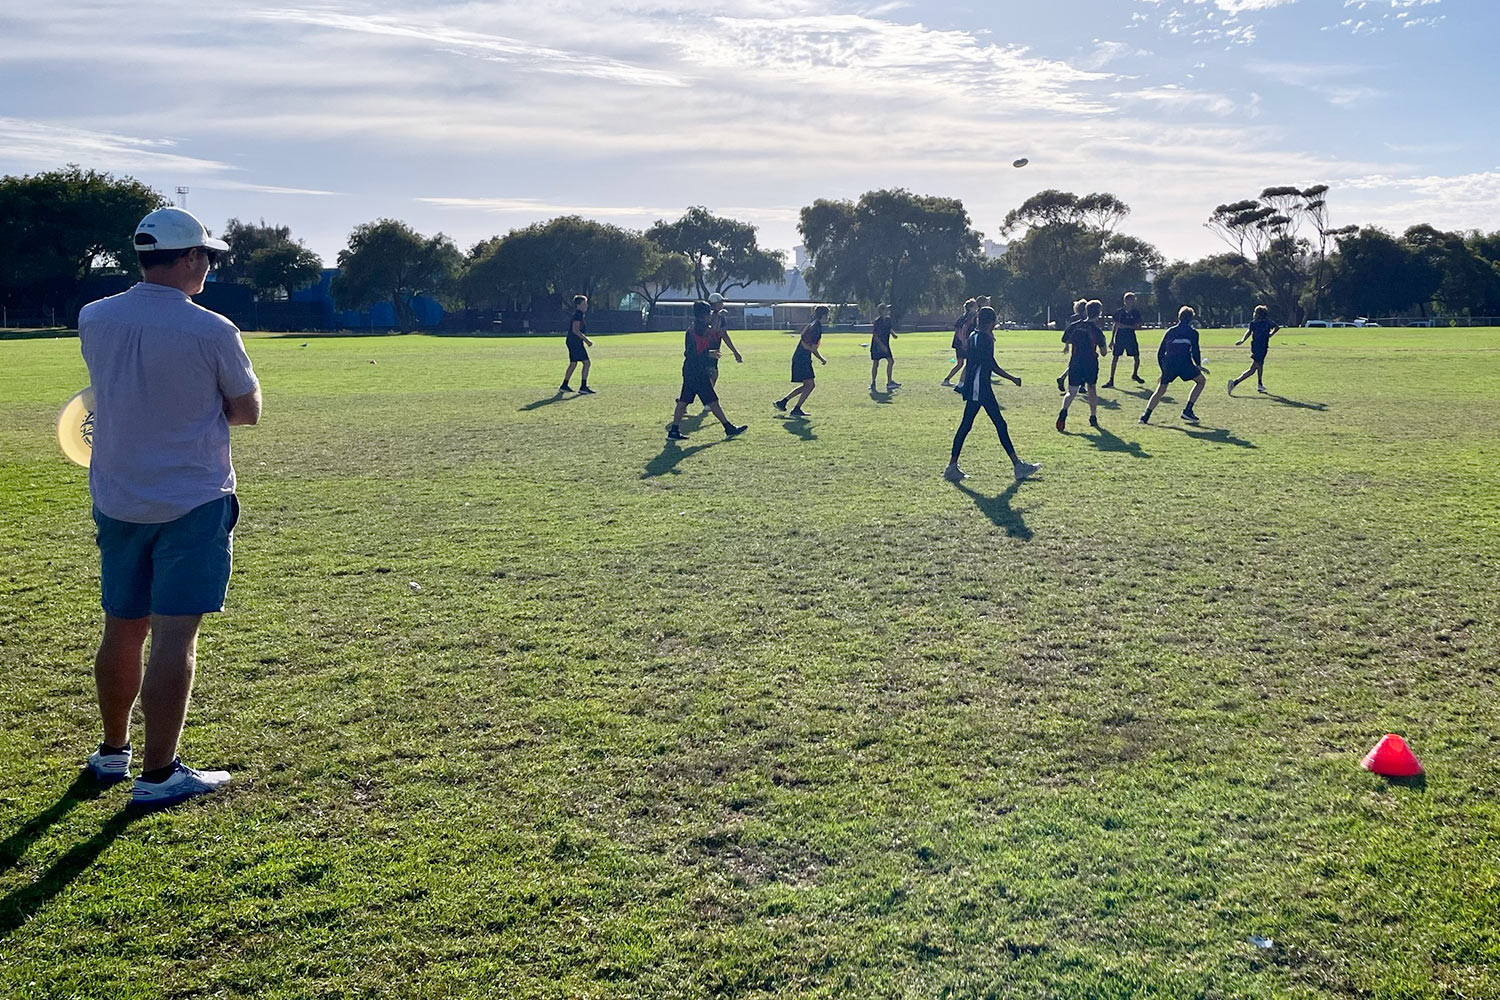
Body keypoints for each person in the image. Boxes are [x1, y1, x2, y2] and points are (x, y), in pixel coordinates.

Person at [78, 207, 261, 807]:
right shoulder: (212, 329)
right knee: (175, 636)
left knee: (122, 628)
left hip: (117, 495)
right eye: (206, 255)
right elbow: (245, 411)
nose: (208, 265)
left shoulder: (94, 317)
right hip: (191, 497)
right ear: (187, 258)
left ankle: (112, 752)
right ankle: (159, 775)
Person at [944, 307, 1042, 484]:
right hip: (980, 387)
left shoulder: (973, 335)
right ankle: (1017, 466)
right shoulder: (984, 338)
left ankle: (952, 466)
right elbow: (992, 365)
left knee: (972, 425)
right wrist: (1013, 378)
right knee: (992, 424)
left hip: (976, 385)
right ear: (991, 322)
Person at [668, 300, 747, 441]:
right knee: (712, 400)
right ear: (703, 314)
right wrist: (709, 354)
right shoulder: (697, 329)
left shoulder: (698, 326)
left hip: (690, 370)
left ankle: (674, 431)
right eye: (708, 313)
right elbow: (693, 353)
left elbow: (711, 332)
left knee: (683, 401)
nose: (709, 315)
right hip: (697, 371)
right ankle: (728, 428)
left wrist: (717, 314)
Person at [1141, 305, 1209, 424]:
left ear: (1179, 317)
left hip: (1170, 363)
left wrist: (1163, 370)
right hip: (1184, 363)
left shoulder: (1171, 331)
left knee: (1160, 390)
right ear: (1191, 319)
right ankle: (1188, 410)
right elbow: (1195, 350)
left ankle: (1145, 417)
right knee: (1201, 381)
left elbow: (1160, 352)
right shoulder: (1193, 333)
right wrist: (1198, 365)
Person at [1057, 300, 1108, 431]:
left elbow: (1065, 339)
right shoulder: (1097, 331)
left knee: (1071, 392)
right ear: (1099, 313)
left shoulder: (1075, 325)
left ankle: (1063, 411)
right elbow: (1103, 353)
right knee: (1091, 389)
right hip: (1090, 363)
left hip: (1075, 362)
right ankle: (1093, 417)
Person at [775, 306, 829, 416]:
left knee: (807, 385)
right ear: (823, 316)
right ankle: (795, 409)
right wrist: (822, 359)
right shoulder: (816, 328)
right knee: (810, 385)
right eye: (827, 315)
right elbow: (813, 348)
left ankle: (783, 402)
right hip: (802, 359)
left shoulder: (813, 325)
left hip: (801, 358)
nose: (828, 318)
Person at [1228, 305, 1279, 395]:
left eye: (1255, 312)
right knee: (1254, 368)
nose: (1254, 314)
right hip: (1258, 347)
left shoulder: (1261, 322)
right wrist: (1242, 340)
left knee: (1258, 366)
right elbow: (1249, 332)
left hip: (1261, 347)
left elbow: (1276, 327)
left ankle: (1259, 384)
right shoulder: (1260, 323)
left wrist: (1270, 334)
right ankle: (1235, 383)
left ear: (1259, 314)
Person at [1103, 292, 1145, 387]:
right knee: (1115, 358)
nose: (1131, 302)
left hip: (1130, 337)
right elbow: (1116, 325)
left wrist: (1126, 326)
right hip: (1120, 337)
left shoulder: (1135, 313)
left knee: (1137, 357)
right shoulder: (1119, 312)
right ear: (1125, 300)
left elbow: (1137, 326)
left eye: (1133, 300)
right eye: (1130, 300)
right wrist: (1112, 340)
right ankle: (1111, 380)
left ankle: (1135, 374)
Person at [706, 292, 743, 390]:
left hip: (715, 349)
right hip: (705, 349)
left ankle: (707, 398)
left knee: (712, 374)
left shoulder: (721, 317)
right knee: (710, 374)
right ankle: (708, 399)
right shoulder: (706, 316)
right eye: (720, 302)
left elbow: (724, 335)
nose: (722, 304)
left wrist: (734, 351)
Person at [560, 294, 595, 394]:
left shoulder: (579, 314)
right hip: (575, 342)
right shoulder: (578, 314)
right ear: (578, 305)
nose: (586, 306)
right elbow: (575, 330)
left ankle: (564, 385)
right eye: (584, 304)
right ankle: (583, 387)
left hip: (572, 341)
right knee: (587, 363)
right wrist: (586, 340)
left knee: (573, 363)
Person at [942, 298, 978, 386]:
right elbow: (963, 330)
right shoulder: (969, 318)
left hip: (958, 343)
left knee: (960, 364)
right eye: (975, 306)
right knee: (969, 362)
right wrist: (964, 343)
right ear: (971, 308)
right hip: (963, 343)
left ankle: (947, 380)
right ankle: (962, 382)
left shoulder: (963, 317)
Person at [1055, 299, 1087, 394]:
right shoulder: (1083, 321)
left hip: (1076, 346)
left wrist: (1067, 345)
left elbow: (1068, 334)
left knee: (1075, 365)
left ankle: (1063, 378)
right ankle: (1081, 386)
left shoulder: (1074, 319)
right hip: (1083, 346)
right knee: (1082, 365)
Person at [869, 304, 899, 390]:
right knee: (876, 363)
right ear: (881, 311)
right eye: (886, 309)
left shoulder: (888, 319)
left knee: (891, 361)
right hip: (877, 345)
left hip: (885, 344)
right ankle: (873, 382)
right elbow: (875, 335)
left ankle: (889, 382)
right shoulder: (877, 321)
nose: (887, 311)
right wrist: (882, 346)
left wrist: (893, 334)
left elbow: (889, 328)